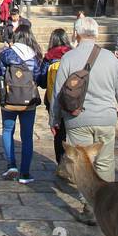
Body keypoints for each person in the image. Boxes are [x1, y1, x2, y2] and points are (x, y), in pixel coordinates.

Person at [50, 16, 118, 224]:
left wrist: (54, 119)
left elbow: (58, 92)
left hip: (77, 118)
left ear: (76, 34)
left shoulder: (69, 58)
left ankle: (89, 209)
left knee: (83, 166)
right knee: (105, 163)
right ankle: (106, 209)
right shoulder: (110, 58)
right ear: (96, 34)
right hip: (106, 118)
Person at [0, 26, 43, 183]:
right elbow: (39, 78)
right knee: (27, 136)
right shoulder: (34, 56)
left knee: (8, 130)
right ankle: (25, 173)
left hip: (9, 99)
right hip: (29, 101)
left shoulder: (6, 53)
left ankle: (11, 166)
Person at [40, 28, 73, 165]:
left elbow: (41, 81)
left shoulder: (49, 57)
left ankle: (61, 162)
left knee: (58, 132)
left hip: (53, 99)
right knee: (72, 131)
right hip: (71, 99)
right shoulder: (73, 55)